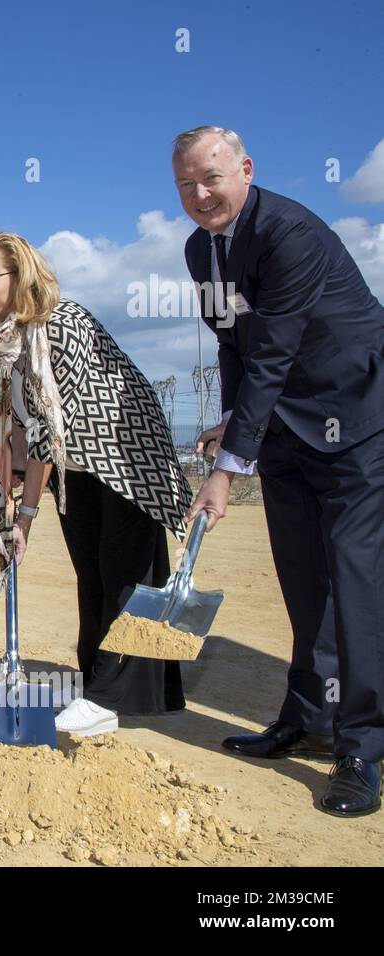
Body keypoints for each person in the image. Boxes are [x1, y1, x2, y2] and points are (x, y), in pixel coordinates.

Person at [176, 126, 384, 817]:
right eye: (185, 185)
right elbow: (234, 347)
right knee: (303, 577)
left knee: (355, 581)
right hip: (287, 427)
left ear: (245, 169)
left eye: (211, 178)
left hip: (356, 417)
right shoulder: (198, 250)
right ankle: (309, 719)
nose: (200, 195)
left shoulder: (289, 231)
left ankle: (362, 748)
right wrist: (236, 420)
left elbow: (274, 350)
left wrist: (228, 469)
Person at [0, 232, 194, 735]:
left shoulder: (62, 324)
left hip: (124, 454)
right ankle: (100, 683)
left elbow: (46, 429)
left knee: (126, 576)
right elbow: (6, 419)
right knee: (93, 574)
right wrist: (6, 496)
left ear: (19, 278)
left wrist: (26, 516)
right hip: (75, 468)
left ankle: (106, 699)